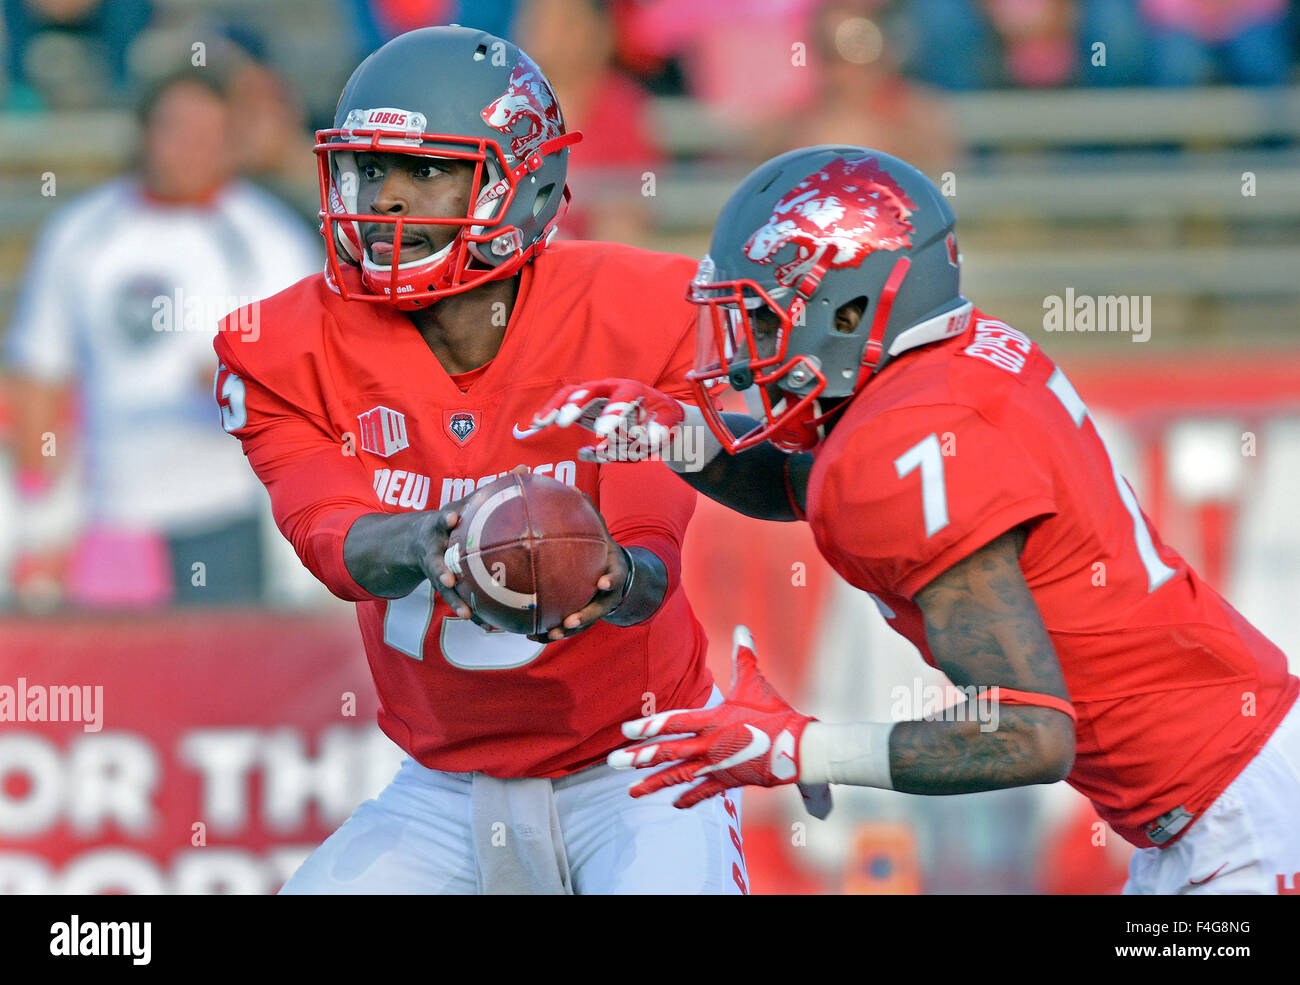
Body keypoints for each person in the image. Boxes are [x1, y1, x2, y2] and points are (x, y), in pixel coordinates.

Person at [533, 144, 1300, 894]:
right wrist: (683, 439)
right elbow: (806, 486)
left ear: (855, 306)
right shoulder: (943, 364)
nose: (742, 358)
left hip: (1241, 819)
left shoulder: (903, 443)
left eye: (764, 322)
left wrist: (801, 748)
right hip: (1231, 789)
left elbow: (1030, 734)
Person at [212, 26, 746, 894]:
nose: (384, 198)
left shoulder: (641, 311)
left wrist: (602, 571)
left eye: (425, 170)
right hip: (440, 792)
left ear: (518, 179)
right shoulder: (284, 347)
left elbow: (652, 559)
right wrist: (433, 539)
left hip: (640, 769)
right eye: (371, 168)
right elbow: (330, 540)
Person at [5, 66, 320, 608]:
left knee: (221, 685)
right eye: (177, 128)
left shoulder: (270, 241)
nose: (191, 148)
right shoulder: (82, 232)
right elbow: (39, 373)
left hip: (219, 512)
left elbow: (314, 380)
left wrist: (238, 382)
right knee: (117, 684)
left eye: (209, 133)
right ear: (146, 132)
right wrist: (41, 520)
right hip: (109, 519)